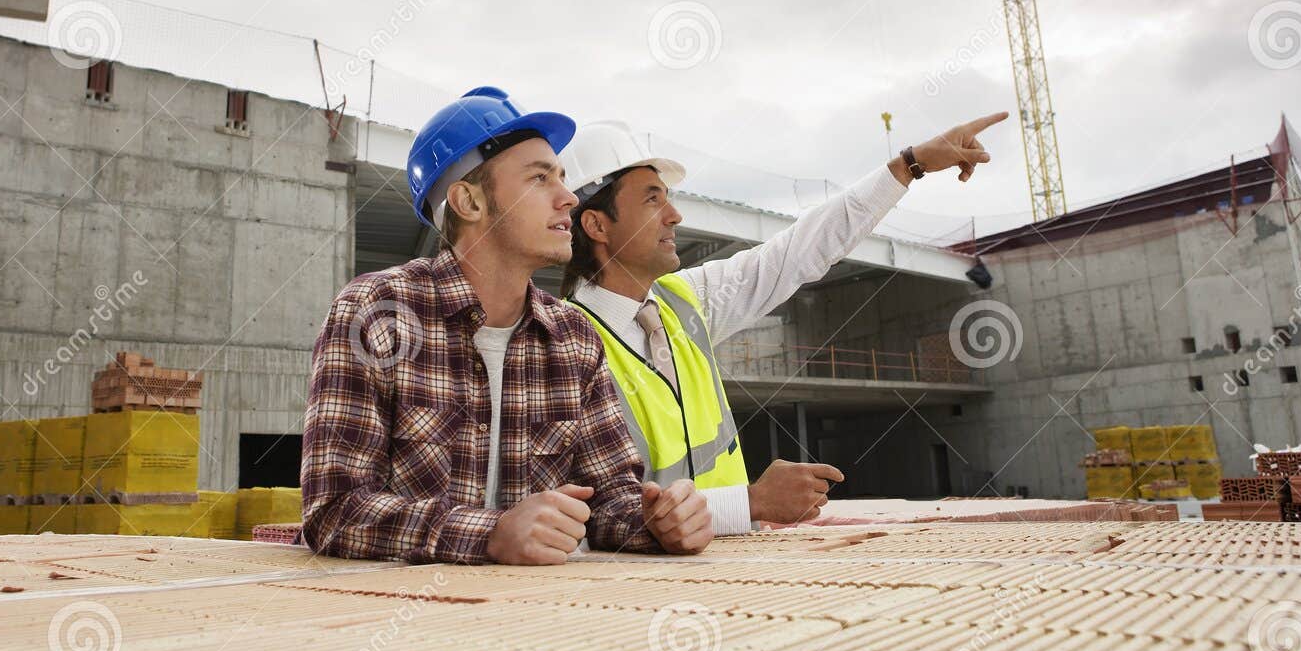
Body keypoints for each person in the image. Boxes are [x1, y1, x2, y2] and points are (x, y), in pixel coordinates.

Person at [301, 86, 714, 563]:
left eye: (563, 178)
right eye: (541, 179)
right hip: (391, 622)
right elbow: (334, 511)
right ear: (469, 202)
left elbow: (609, 500)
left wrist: (656, 521)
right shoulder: (378, 312)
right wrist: (490, 533)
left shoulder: (574, 339)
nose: (569, 200)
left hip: (527, 626)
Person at [559, 113, 1008, 533]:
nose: (674, 215)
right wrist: (749, 504)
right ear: (597, 225)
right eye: (652, 200)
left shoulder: (682, 302)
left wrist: (910, 165)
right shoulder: (563, 346)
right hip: (638, 590)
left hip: (730, 567)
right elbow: (595, 515)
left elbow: (799, 251)